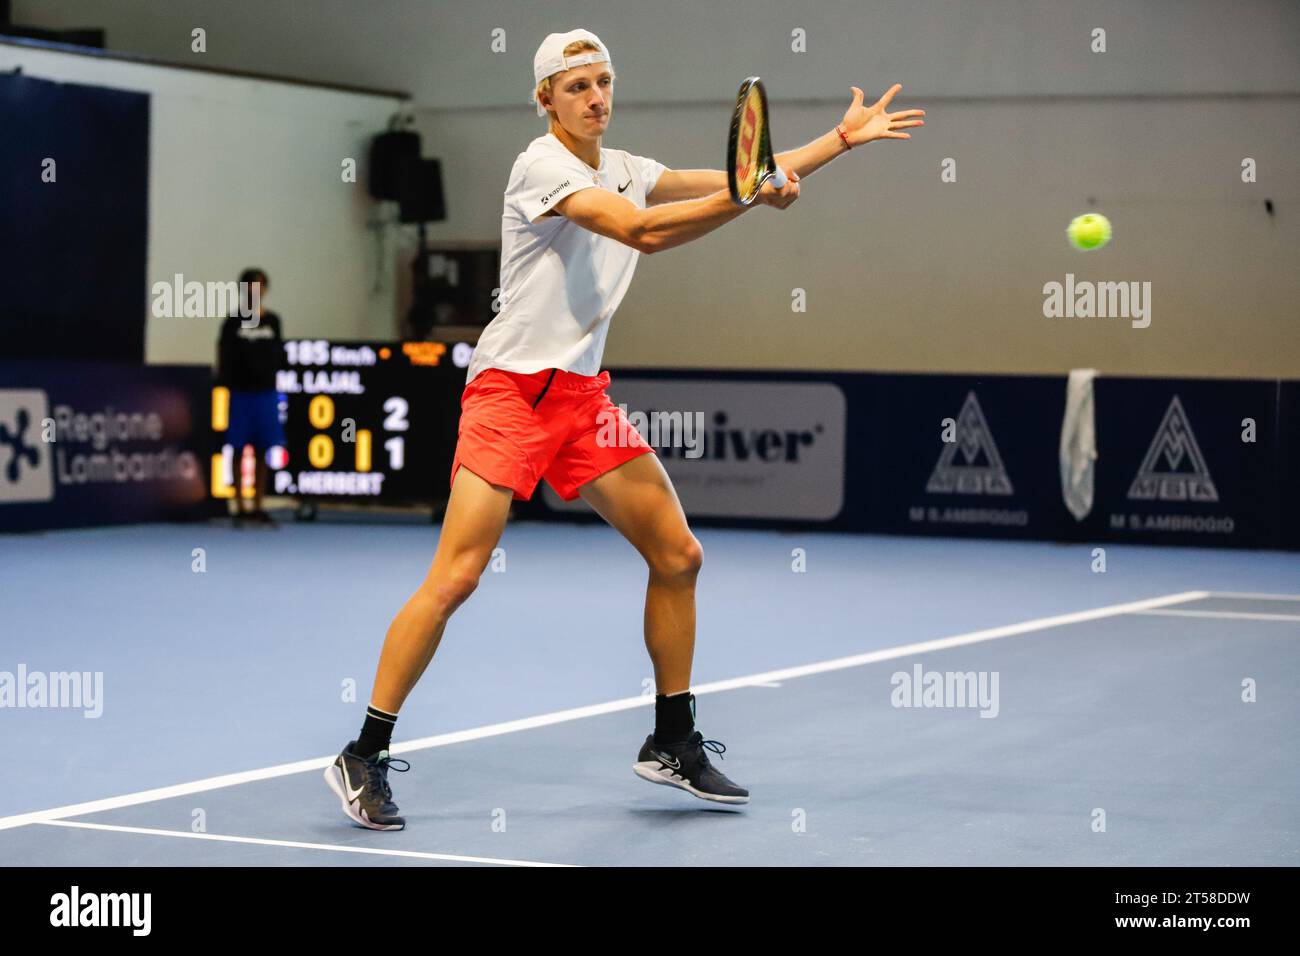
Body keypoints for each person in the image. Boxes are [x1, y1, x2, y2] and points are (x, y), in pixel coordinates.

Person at [325, 28, 925, 829]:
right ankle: (362, 752)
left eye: (603, 81)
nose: (596, 97)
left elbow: (736, 177)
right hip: (509, 395)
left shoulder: (630, 168)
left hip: (579, 403)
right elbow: (645, 230)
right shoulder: (541, 167)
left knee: (678, 554)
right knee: (458, 577)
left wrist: (837, 144)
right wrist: (751, 194)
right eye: (576, 87)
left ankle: (672, 740)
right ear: (545, 100)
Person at [217, 267, 285, 526]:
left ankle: (258, 506)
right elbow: (223, 355)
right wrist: (225, 383)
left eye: (261, 286)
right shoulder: (233, 322)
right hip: (240, 394)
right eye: (251, 286)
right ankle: (238, 506)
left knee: (263, 450)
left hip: (266, 394)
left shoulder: (273, 322)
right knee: (236, 448)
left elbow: (278, 354)